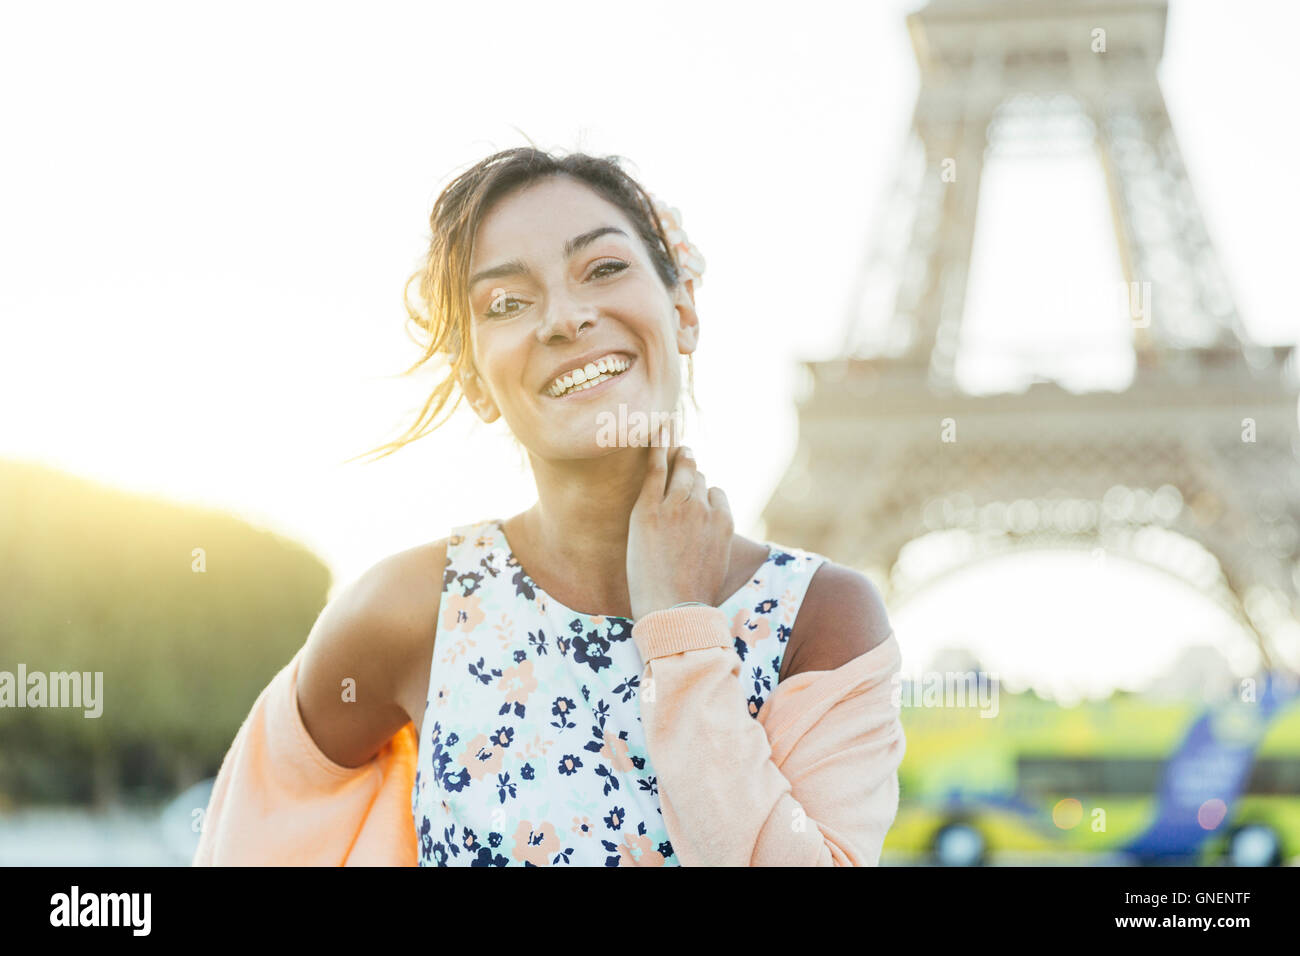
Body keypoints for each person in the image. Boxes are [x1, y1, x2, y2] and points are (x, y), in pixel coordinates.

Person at [193, 147, 905, 867]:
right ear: (474, 380)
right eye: (506, 303)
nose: (564, 319)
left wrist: (680, 635)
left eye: (603, 268)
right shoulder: (411, 611)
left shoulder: (822, 618)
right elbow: (259, 823)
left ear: (683, 309)